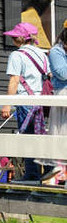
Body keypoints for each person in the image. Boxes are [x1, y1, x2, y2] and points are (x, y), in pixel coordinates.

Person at [1, 21, 53, 183]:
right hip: (42, 100)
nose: (13, 39)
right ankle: (49, 166)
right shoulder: (42, 55)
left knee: (27, 138)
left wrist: (7, 104)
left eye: (15, 37)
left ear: (21, 38)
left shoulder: (17, 55)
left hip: (26, 101)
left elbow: (14, 81)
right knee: (39, 135)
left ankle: (31, 174)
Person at [47, 21, 67, 186]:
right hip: (64, 96)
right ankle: (61, 174)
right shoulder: (56, 51)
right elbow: (62, 73)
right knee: (63, 135)